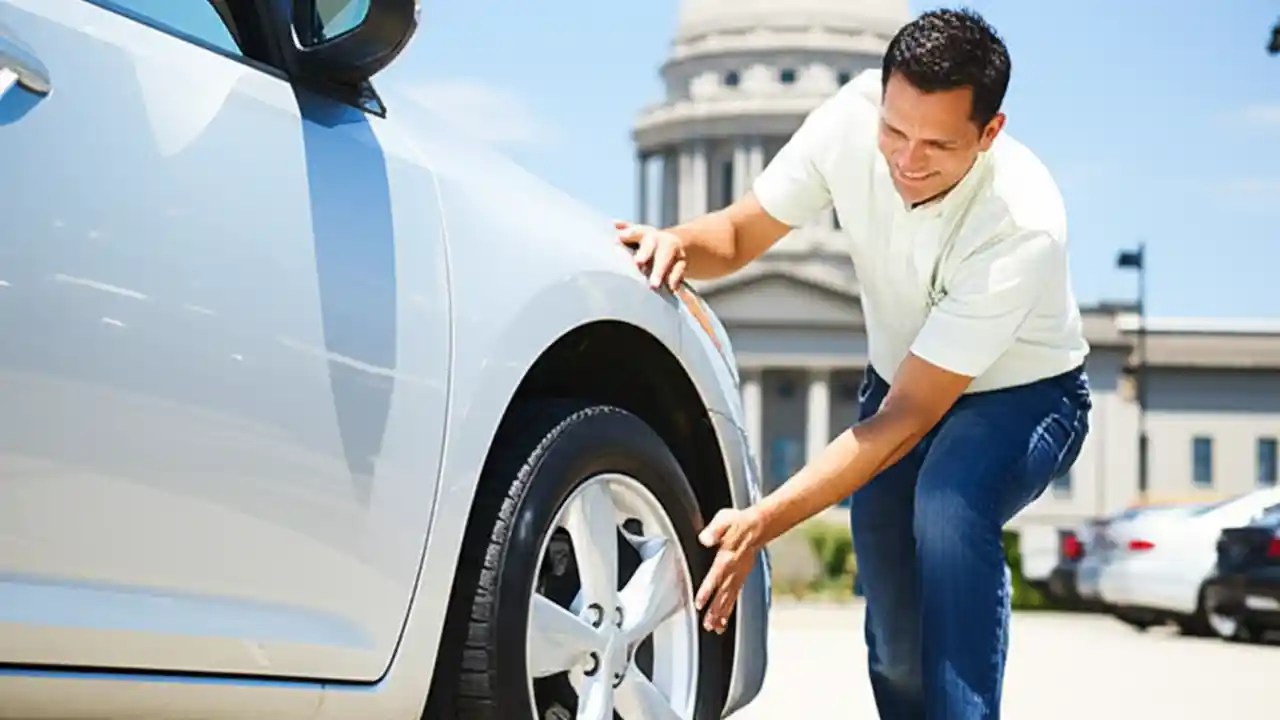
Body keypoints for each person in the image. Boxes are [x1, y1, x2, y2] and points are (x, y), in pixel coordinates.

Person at [615, 7, 1092, 719]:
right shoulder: (849, 119)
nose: (906, 160)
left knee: (949, 498)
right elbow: (741, 233)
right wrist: (677, 241)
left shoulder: (1022, 225)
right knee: (896, 646)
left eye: (936, 143)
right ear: (881, 93)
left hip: (1022, 398)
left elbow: (909, 417)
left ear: (989, 133)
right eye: (894, 131)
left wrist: (762, 519)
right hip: (898, 385)